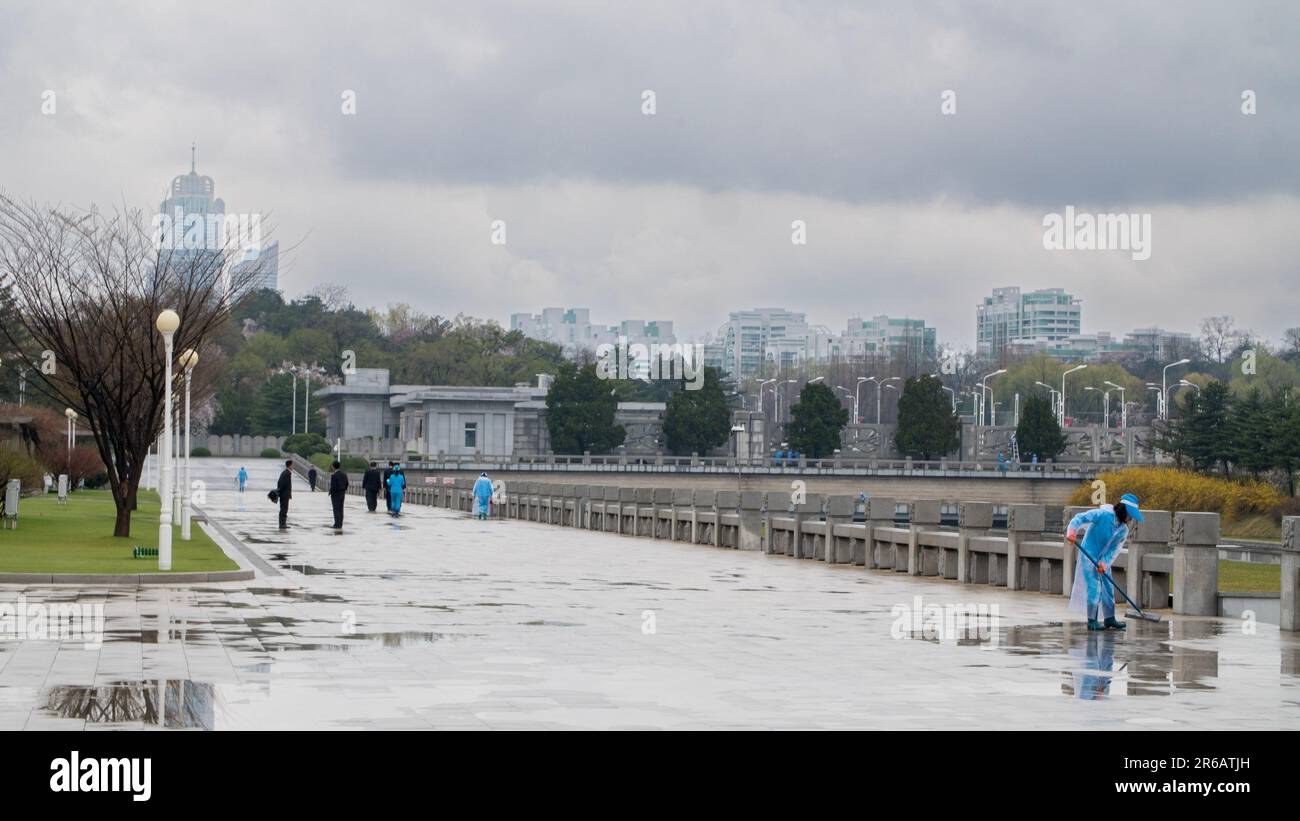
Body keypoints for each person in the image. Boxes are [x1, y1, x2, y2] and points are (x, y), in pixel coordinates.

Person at [1066, 493, 1144, 631]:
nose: (1131, 519)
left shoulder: (1123, 530)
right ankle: (1092, 620)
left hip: (1102, 559)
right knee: (1094, 586)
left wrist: (1105, 563)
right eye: (1130, 515)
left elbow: (1114, 550)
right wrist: (1072, 531)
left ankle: (1109, 618)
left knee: (1108, 587)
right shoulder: (1103, 514)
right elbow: (1080, 518)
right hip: (1089, 553)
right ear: (1123, 510)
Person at [328, 460, 349, 529]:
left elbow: (333, 486)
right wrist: (343, 489)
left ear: (333, 467)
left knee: (336, 509)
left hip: (336, 494)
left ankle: (337, 524)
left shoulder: (334, 475)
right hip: (342, 493)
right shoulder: (344, 474)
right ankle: (340, 524)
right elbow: (347, 484)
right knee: (341, 509)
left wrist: (330, 492)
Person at [276, 459, 293, 529]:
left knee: (283, 509)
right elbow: (283, 484)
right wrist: (283, 492)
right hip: (284, 495)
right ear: (290, 465)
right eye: (292, 465)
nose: (293, 466)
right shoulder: (287, 474)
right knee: (284, 509)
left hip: (283, 494)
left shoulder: (284, 472)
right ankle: (282, 524)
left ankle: (283, 523)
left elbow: (279, 483)